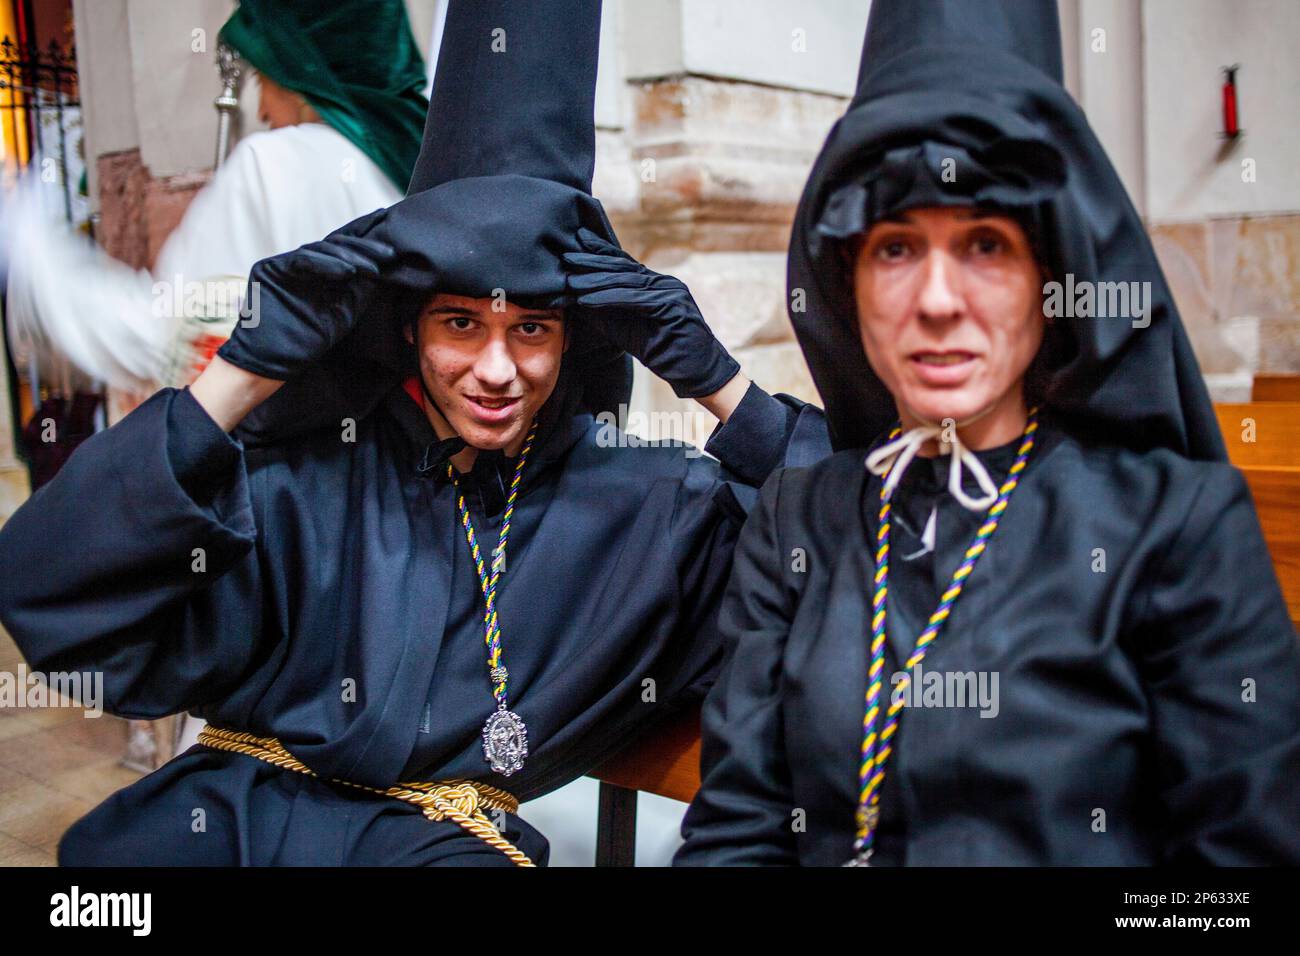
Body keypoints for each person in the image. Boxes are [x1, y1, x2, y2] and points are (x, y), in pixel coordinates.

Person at [0, 0, 826, 866]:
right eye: (461, 324)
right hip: (222, 823)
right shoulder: (303, 472)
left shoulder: (654, 512)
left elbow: (883, 556)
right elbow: (52, 607)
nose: (497, 370)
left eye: (532, 328)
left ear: (580, 333)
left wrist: (724, 386)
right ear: (407, 327)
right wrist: (239, 377)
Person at [674, 0, 1300, 866]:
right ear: (846, 280)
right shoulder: (797, 518)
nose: (937, 300)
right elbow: (736, 831)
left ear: (1053, 278)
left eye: (986, 245)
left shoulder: (1177, 523)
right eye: (896, 247)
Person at [3, 0, 426, 399]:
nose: (260, 110)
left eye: (262, 81)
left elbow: (166, 336)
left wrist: (30, 249)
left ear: (301, 76)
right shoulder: (421, 160)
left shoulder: (274, 166)